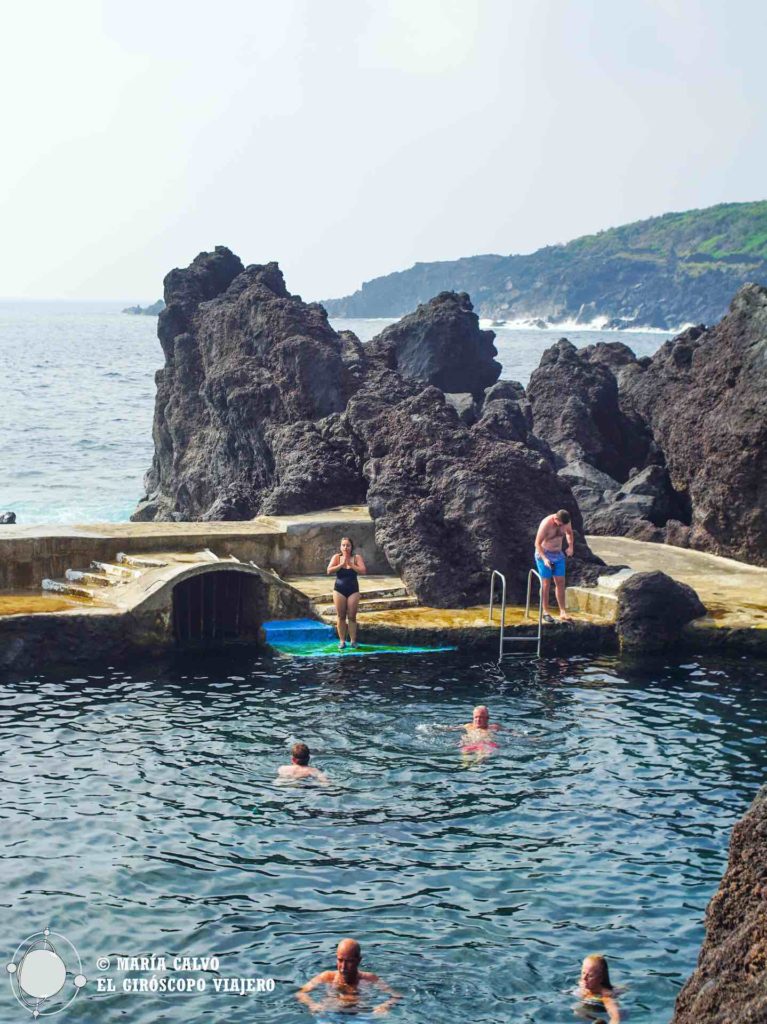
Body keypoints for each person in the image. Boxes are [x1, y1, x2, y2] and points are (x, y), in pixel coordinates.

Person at [296, 938, 401, 1016]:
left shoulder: (370, 979)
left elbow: (396, 996)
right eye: (340, 960)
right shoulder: (327, 976)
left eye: (349, 961)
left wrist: (385, 1005)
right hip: (330, 1013)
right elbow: (301, 993)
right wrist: (312, 1004)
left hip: (360, 1015)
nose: (343, 967)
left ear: (358, 960)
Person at [534, 509, 575, 623]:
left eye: (564, 525)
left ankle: (562, 611)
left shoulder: (566, 522)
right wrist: (545, 559)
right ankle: (545, 611)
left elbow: (569, 533)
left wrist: (570, 546)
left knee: (561, 582)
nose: (562, 526)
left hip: (558, 554)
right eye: (560, 524)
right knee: (546, 583)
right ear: (555, 519)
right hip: (544, 553)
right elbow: (537, 543)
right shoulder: (546, 524)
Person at [327, 536, 367, 650]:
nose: (345, 547)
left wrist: (351, 564)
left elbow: (363, 571)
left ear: (351, 546)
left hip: (353, 589)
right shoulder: (336, 557)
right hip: (339, 589)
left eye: (348, 545)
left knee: (352, 616)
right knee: (340, 616)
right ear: (340, 547)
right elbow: (329, 570)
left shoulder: (356, 557)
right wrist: (340, 565)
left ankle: (353, 641)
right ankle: (342, 641)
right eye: (343, 545)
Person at [575, 954, 621, 1023]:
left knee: (578, 1011)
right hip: (589, 1008)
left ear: (600, 978)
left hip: (599, 1010)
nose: (584, 978)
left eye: (590, 976)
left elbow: (616, 1017)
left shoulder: (605, 996)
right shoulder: (583, 985)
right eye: (583, 973)